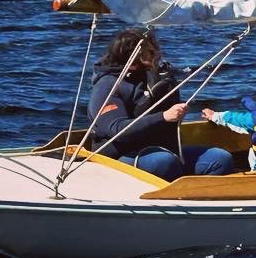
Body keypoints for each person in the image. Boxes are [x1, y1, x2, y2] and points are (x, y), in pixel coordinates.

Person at [86, 27, 234, 181]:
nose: (157, 54)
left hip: (161, 148)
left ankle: (195, 199)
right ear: (133, 55)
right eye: (150, 51)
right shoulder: (107, 86)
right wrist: (163, 116)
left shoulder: (154, 78)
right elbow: (116, 129)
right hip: (119, 157)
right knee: (164, 162)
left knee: (220, 158)